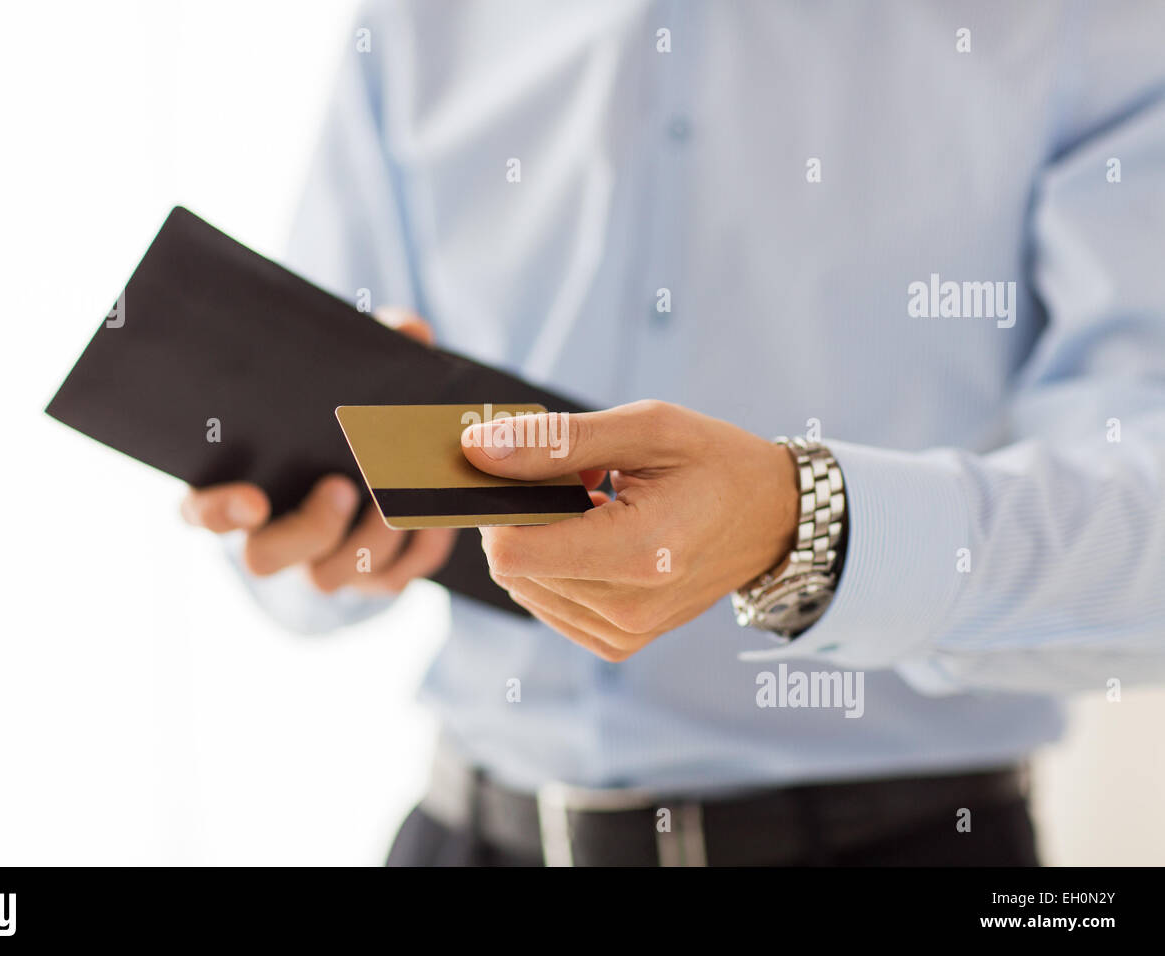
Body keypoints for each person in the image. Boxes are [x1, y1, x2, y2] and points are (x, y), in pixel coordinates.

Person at [181, 0, 1165, 865]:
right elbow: (303, 532)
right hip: (463, 828)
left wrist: (804, 529)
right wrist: (326, 527)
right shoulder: (417, 19)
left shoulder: (1087, 23)